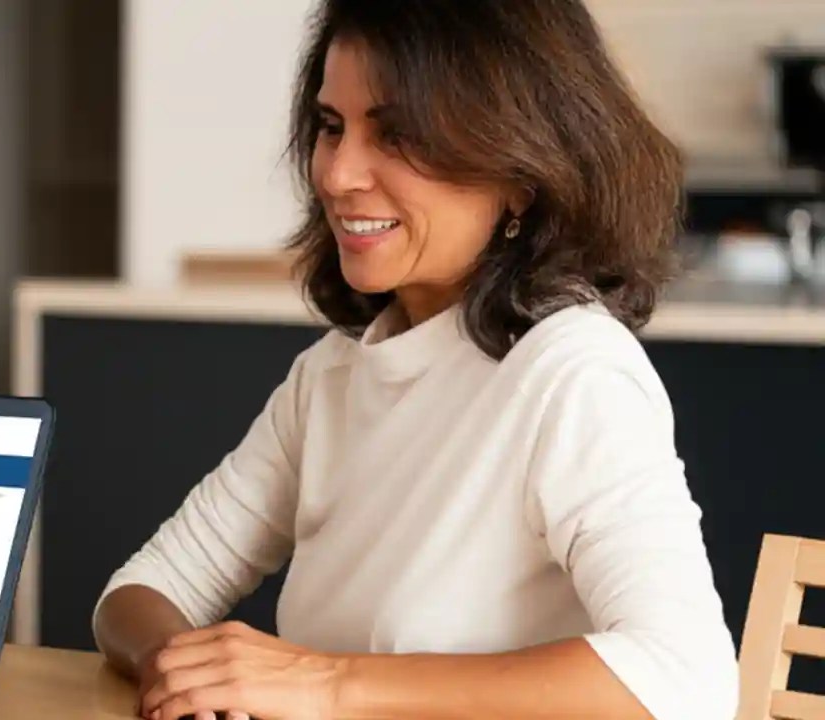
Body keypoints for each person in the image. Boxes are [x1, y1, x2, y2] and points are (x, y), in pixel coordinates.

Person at [92, 1, 739, 718]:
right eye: (332, 127)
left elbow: (686, 680)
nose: (337, 175)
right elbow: (144, 589)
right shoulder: (330, 378)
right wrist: (188, 675)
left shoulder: (574, 373)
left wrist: (326, 683)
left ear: (521, 172)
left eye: (397, 136)